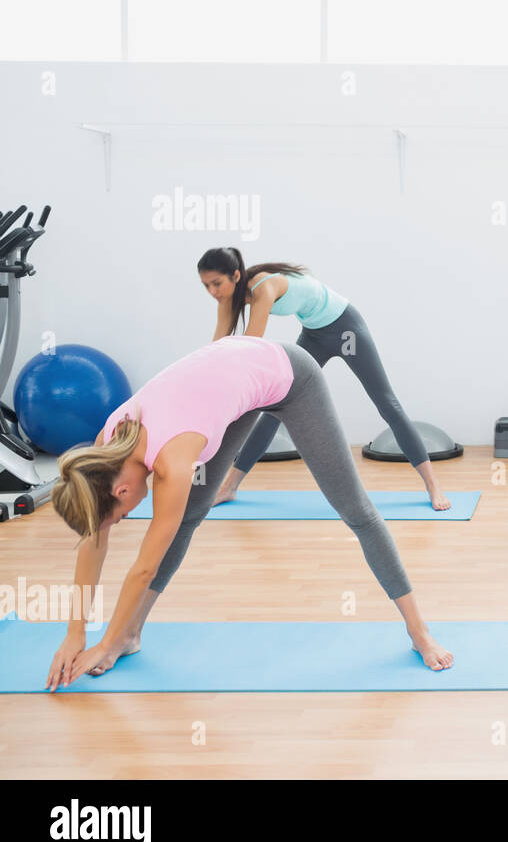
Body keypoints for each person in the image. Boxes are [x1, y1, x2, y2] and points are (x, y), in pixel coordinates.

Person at [46, 335, 453, 691]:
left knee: (356, 510)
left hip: (290, 375)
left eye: (116, 517)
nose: (117, 524)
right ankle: (130, 634)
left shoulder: (173, 461)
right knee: (189, 515)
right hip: (232, 377)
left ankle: (420, 632)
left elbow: (143, 568)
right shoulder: (103, 448)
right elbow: (92, 540)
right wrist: (74, 634)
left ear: (121, 489)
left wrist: (102, 642)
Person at [197, 247, 450, 510]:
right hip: (314, 336)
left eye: (217, 283)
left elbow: (251, 347)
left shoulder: (263, 287)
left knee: (386, 403)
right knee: (275, 408)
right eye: (206, 286)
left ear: (236, 275)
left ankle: (433, 486)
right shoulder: (227, 300)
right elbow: (219, 348)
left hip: (345, 328)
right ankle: (229, 487)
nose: (213, 292)